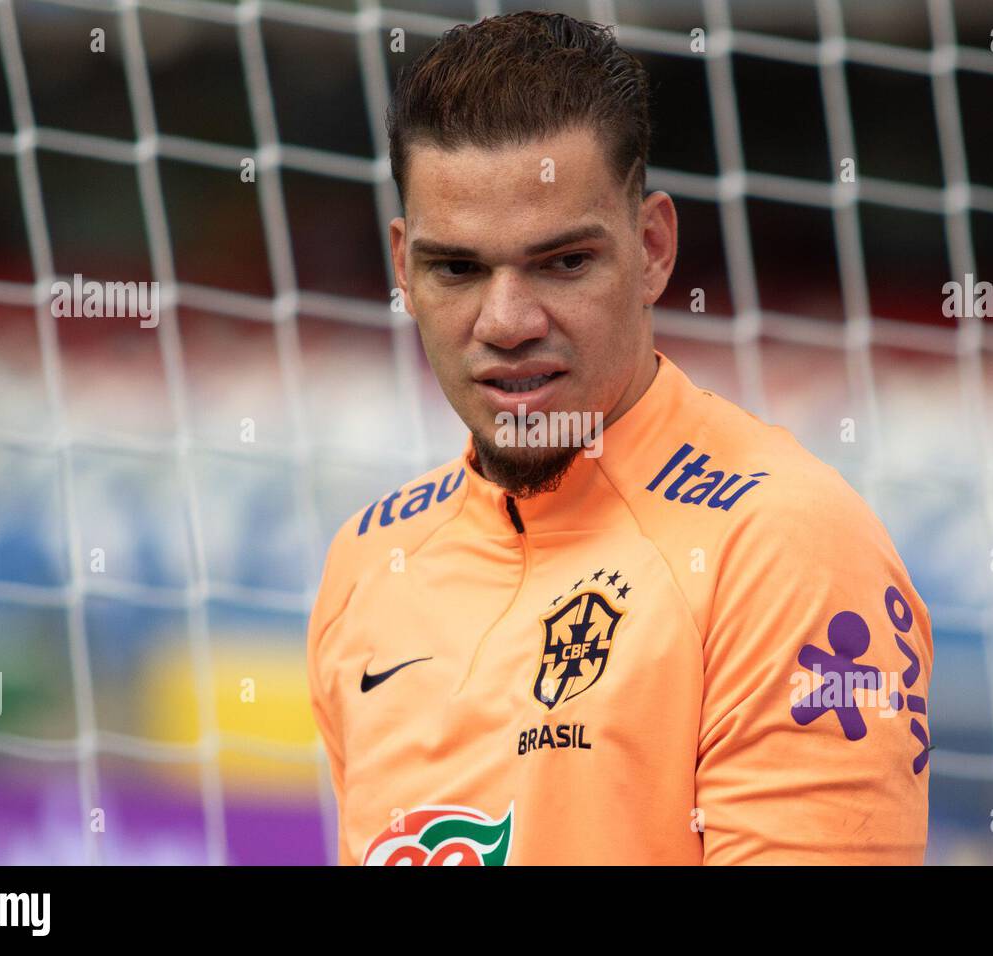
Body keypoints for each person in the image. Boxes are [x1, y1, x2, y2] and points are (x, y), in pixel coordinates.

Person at [307, 10, 933, 865]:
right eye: (457, 268)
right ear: (402, 270)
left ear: (653, 249)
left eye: (564, 262)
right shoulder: (368, 563)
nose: (508, 322)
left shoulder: (783, 547)